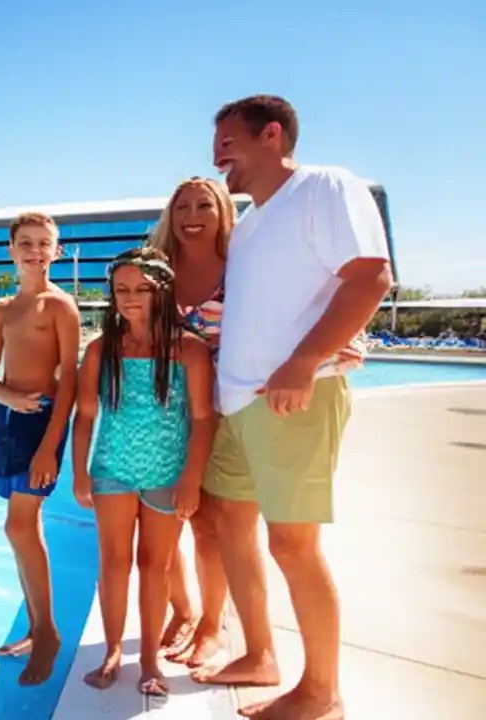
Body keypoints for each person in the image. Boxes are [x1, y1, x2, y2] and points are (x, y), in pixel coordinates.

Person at [196, 95, 393, 720]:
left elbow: (370, 276)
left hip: (291, 399)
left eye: (228, 139)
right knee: (229, 520)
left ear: (272, 134)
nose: (217, 152)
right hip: (240, 404)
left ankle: (321, 692)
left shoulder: (325, 187)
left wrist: (308, 360)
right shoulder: (251, 224)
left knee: (293, 545)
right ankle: (259, 654)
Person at [71, 248, 216, 697]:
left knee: (157, 566)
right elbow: (86, 416)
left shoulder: (188, 350)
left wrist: (191, 478)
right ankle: (113, 649)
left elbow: (204, 419)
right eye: (122, 290)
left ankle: (150, 658)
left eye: (143, 290)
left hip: (166, 474)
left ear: (163, 293)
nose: (131, 298)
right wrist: (79, 472)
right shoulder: (101, 350)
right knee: (114, 562)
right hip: (113, 469)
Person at [0, 211, 81, 686]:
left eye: (45, 243)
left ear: (56, 251)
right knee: (20, 527)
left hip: (43, 422)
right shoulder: (2, 310)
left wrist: (49, 445)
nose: (36, 251)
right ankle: (36, 627)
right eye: (26, 243)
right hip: (6, 422)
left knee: (19, 525)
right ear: (11, 250)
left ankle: (48, 634)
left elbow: (71, 382)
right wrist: (10, 399)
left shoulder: (60, 307)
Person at [144, 176, 237, 669]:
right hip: (161, 408)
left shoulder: (241, 267)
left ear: (223, 212)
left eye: (205, 204)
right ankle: (182, 610)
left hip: (220, 408)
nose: (192, 215)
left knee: (207, 520)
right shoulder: (157, 269)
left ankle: (212, 622)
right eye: (182, 206)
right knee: (161, 516)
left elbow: (287, 311)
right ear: (170, 214)